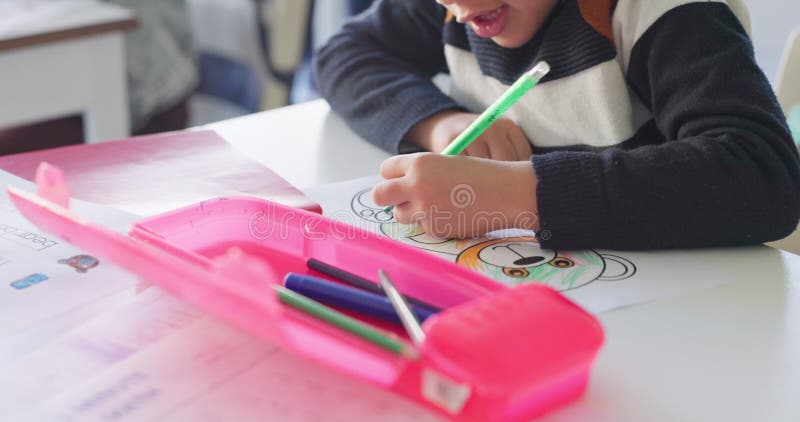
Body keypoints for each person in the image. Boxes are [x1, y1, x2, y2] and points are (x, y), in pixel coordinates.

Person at [314, 0, 800, 250]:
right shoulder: (460, 10)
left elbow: (764, 177)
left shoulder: (667, 15)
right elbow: (344, 54)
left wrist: (513, 197)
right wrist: (440, 123)